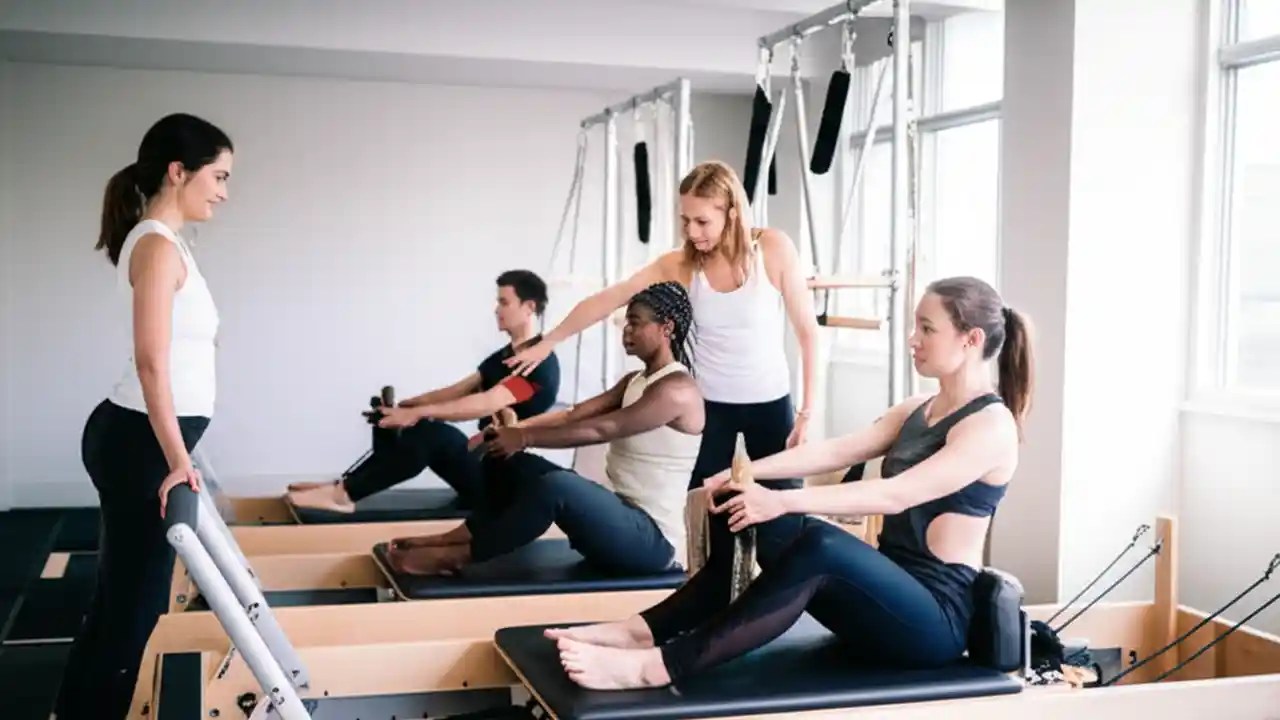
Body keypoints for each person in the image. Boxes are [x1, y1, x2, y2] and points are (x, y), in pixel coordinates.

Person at [541, 276, 1035, 691]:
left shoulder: (990, 427)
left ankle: (658, 668)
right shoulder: (918, 409)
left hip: (933, 623)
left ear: (971, 340)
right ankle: (639, 633)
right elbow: (840, 449)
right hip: (884, 603)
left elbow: (896, 493)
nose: (913, 338)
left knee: (817, 540)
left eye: (927, 329)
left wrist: (779, 500)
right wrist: (747, 475)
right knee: (750, 514)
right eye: (915, 326)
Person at [55, 113, 234, 720]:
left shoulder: (169, 241)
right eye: (218, 175)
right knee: (135, 605)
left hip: (141, 437)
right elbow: (152, 361)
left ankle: (78, 707)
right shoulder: (156, 243)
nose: (224, 191)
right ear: (178, 171)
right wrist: (179, 460)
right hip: (139, 442)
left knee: (120, 597)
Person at [504, 160, 819, 492]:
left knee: (782, 514)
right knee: (708, 510)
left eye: (702, 221)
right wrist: (550, 340)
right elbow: (611, 297)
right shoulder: (681, 265)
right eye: (685, 221)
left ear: (732, 213)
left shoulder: (772, 249)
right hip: (710, 407)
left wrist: (807, 413)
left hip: (771, 403)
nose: (692, 232)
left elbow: (808, 333)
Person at [384, 281, 705, 577]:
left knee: (557, 486)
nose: (626, 330)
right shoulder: (634, 381)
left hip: (653, 543)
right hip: (617, 521)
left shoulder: (677, 390)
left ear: (667, 328)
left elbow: (604, 428)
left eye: (636, 322)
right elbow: (573, 415)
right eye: (626, 321)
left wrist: (523, 437)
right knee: (510, 461)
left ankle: (459, 557)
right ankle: (456, 537)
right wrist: (513, 432)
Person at [285, 270, 561, 512]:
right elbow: (457, 391)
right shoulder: (503, 357)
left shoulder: (538, 364)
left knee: (433, 434)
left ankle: (344, 495)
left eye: (504, 302)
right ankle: (345, 486)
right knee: (416, 424)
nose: (496, 310)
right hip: (483, 466)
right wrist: (404, 408)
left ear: (528, 307)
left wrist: (417, 413)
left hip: (505, 481)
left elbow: (487, 402)